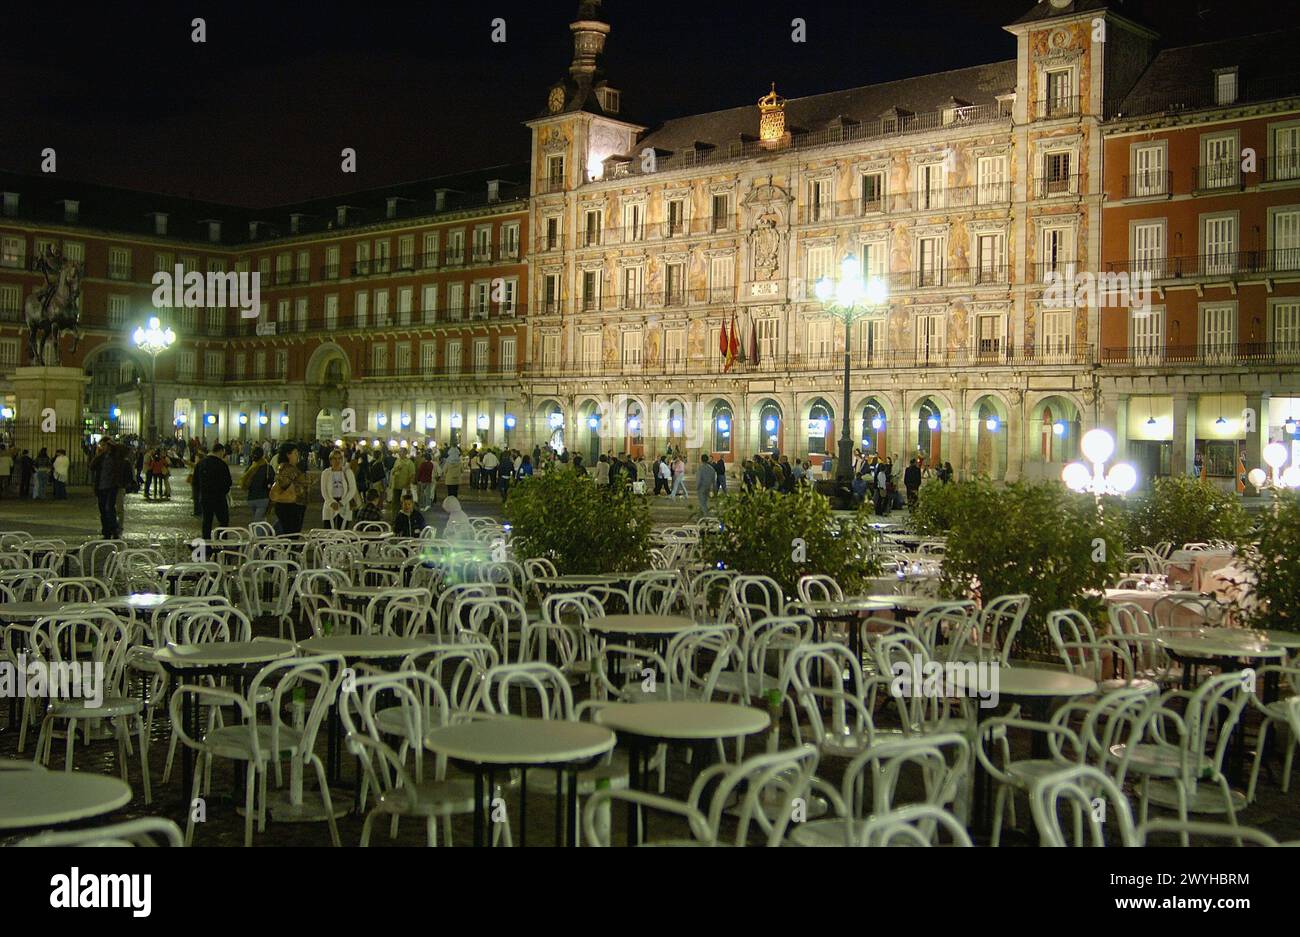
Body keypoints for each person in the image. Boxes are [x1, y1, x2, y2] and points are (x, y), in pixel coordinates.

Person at [270, 443, 310, 534]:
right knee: (290, 534)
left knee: (288, 532)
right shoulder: (287, 469)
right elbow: (281, 486)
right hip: (290, 507)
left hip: (294, 506)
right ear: (288, 454)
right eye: (295, 453)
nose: (297, 456)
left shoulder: (291, 468)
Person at [195, 444, 233, 540]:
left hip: (205, 497)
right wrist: (223, 491)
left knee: (207, 521)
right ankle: (221, 541)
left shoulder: (201, 463)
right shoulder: (222, 464)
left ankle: (206, 542)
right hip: (219, 498)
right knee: (223, 520)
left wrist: (201, 491)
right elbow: (228, 482)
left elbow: (195, 481)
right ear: (220, 451)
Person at [89, 438, 124, 539]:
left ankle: (115, 530)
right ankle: (106, 531)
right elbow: (92, 466)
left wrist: (114, 445)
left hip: (112, 487)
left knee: (109, 508)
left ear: (109, 446)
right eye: (101, 445)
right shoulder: (101, 457)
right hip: (101, 487)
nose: (102, 447)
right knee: (103, 510)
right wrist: (98, 454)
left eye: (104, 445)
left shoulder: (116, 456)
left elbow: (124, 451)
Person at [320, 448, 359, 530]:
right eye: (334, 459)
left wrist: (342, 502)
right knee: (328, 530)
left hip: (344, 503)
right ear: (330, 461)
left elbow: (352, 489)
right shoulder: (326, 473)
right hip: (330, 504)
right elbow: (324, 490)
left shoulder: (348, 472)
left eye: (339, 458)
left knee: (342, 530)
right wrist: (331, 502)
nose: (337, 461)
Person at [240, 446, 274, 522]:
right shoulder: (268, 467)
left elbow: (245, 482)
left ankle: (262, 532)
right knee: (259, 522)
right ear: (262, 455)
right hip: (263, 497)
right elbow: (272, 481)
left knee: (259, 520)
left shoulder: (250, 468)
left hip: (251, 498)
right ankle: (259, 533)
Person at [389, 447, 416, 517]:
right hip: (396, 485)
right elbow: (393, 471)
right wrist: (396, 469)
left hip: (405, 486)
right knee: (395, 503)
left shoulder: (410, 463)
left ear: (405, 453)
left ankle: (405, 517)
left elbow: (412, 475)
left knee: (405, 503)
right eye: (399, 452)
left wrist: (408, 485)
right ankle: (395, 517)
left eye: (401, 452)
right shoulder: (397, 461)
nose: (399, 453)